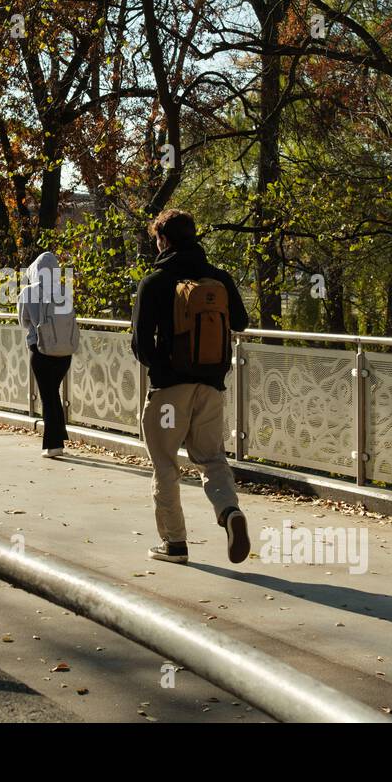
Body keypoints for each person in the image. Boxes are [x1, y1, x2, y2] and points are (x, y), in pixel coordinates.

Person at [130, 209, 251, 566]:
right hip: (211, 388)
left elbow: (140, 344)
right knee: (212, 459)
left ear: (163, 239)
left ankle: (175, 544)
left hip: (169, 393)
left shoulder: (155, 281)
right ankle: (229, 511)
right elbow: (241, 323)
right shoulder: (219, 278)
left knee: (165, 463)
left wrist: (163, 368)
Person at [18, 251, 78, 458]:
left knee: (48, 395)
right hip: (65, 351)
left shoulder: (28, 292)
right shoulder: (64, 291)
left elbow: (24, 321)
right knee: (54, 393)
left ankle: (53, 445)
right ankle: (59, 439)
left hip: (40, 349)